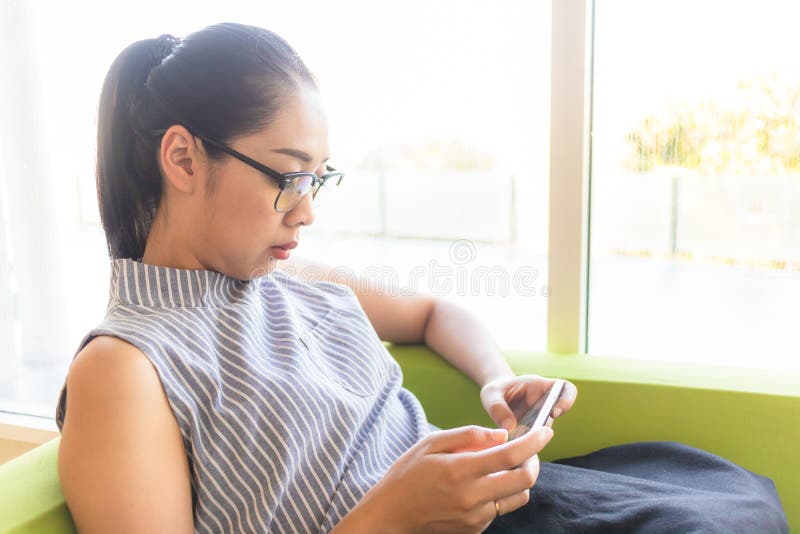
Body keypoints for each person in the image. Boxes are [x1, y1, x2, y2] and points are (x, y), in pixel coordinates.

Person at [54, 23, 788, 533]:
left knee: (731, 496)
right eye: (287, 176)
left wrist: (496, 380)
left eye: (320, 179)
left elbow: (434, 310)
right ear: (182, 160)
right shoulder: (123, 370)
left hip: (496, 510)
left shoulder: (286, 279)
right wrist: (390, 518)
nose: (306, 212)